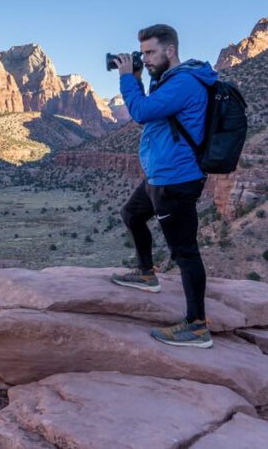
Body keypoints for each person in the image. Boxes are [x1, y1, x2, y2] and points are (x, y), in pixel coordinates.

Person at [110, 23, 218, 348]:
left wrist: (127, 78)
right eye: (142, 53)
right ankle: (146, 273)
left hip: (177, 180)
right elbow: (156, 113)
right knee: (131, 215)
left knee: (185, 252)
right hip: (160, 176)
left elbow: (142, 112)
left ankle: (197, 326)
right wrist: (140, 76)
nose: (145, 58)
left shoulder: (184, 82)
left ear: (170, 50)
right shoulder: (168, 79)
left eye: (150, 52)